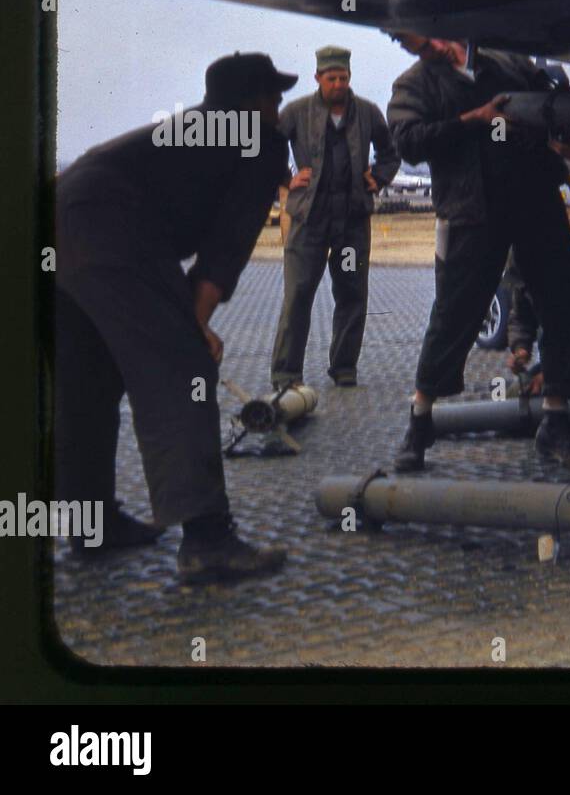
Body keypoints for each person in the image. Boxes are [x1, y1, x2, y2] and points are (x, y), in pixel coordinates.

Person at [54, 52, 296, 582]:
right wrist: (195, 327)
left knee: (88, 380)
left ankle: (92, 525)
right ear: (252, 103)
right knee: (182, 373)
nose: (279, 104)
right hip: (115, 229)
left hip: (59, 216)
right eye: (272, 95)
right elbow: (225, 248)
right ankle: (209, 540)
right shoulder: (260, 140)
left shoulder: (189, 128)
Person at [384, 32, 570, 468]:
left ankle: (556, 419)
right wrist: (471, 119)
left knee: (562, 300)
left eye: (425, 37)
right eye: (411, 44)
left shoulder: (507, 57)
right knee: (455, 312)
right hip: (473, 209)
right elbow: (406, 142)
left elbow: (547, 98)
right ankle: (419, 423)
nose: (424, 47)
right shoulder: (414, 85)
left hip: (533, 196)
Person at [269, 46, 398, 389]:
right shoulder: (295, 112)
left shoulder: (369, 113)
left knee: (353, 294)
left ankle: (344, 368)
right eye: (332, 78)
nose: (339, 84)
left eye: (343, 77)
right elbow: (266, 145)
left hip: (352, 222)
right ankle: (286, 374)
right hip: (308, 221)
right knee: (297, 295)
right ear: (318, 78)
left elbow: (391, 151)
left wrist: (379, 177)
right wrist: (284, 178)